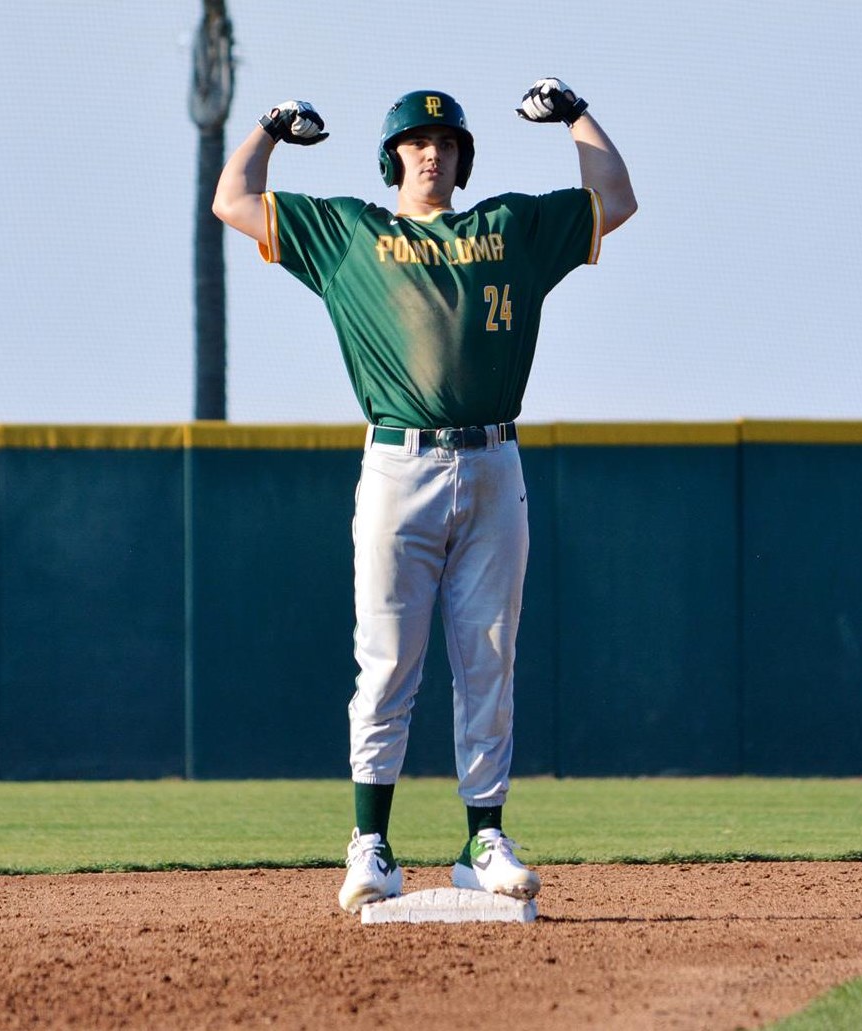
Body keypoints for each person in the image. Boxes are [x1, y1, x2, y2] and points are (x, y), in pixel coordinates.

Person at [211, 81, 635, 913]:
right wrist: (266, 129)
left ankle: (484, 837)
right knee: (387, 662)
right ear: (392, 156)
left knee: (489, 660)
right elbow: (233, 200)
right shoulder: (347, 233)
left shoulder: (509, 226)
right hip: (398, 464)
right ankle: (369, 843)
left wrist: (577, 113)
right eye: (416, 140)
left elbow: (615, 197)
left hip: (492, 462)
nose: (431, 150)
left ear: (464, 158)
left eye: (445, 140)